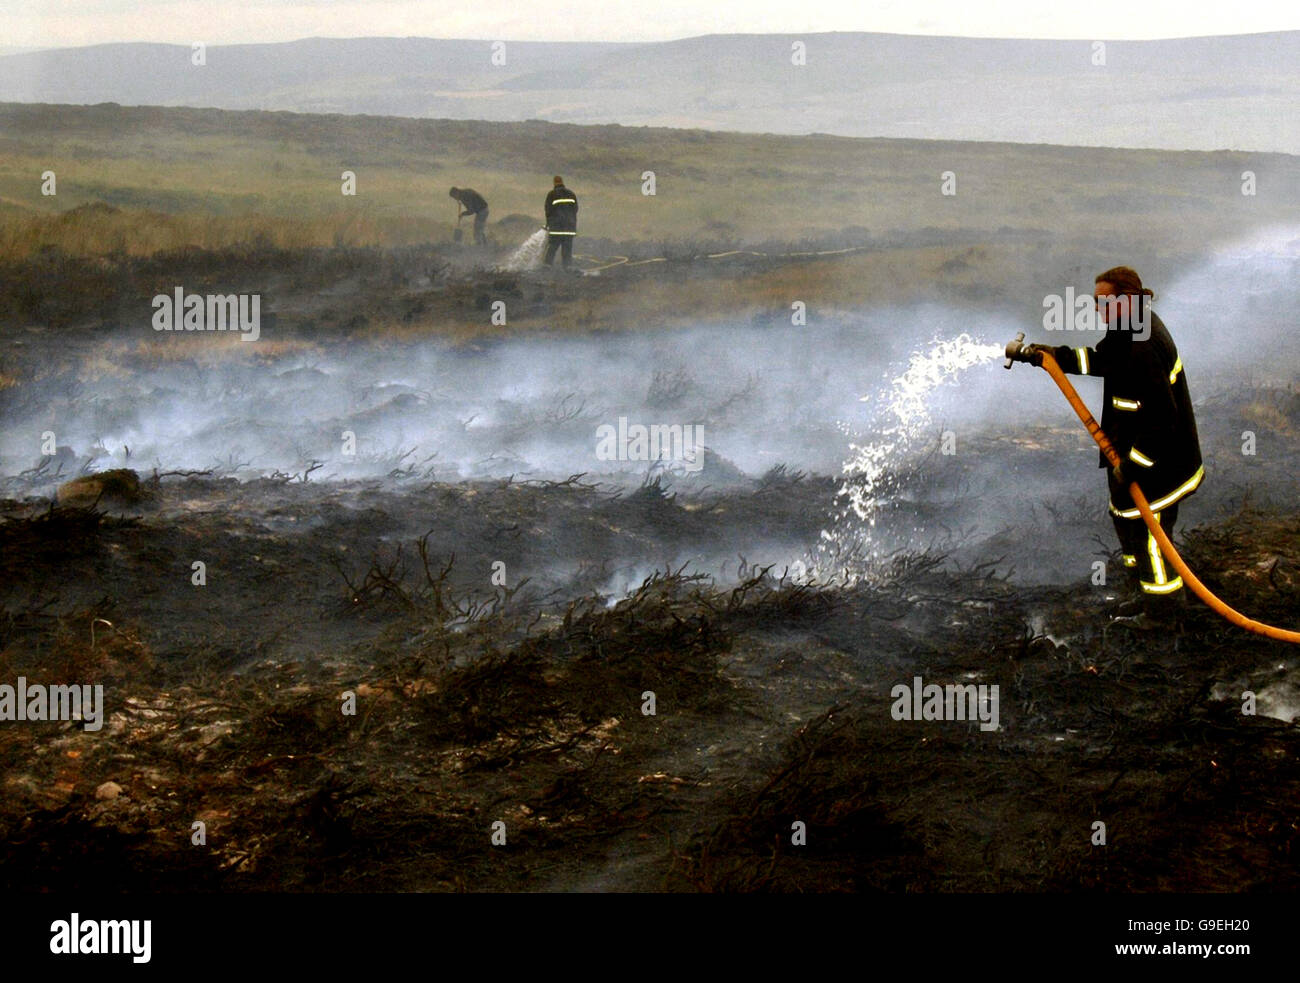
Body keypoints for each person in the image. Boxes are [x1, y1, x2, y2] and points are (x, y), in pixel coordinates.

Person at [1027, 267, 1203, 627]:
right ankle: (1144, 593)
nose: (1097, 308)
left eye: (1103, 302)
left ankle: (1164, 612)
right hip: (1129, 455)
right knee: (1126, 520)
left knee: (1150, 536)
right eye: (1095, 302)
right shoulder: (1129, 328)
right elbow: (1104, 361)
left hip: (1159, 465)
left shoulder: (1142, 345)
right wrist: (1053, 356)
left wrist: (1134, 466)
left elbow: (1162, 419)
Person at [543, 176, 578, 269]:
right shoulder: (571, 194)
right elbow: (575, 209)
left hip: (556, 228)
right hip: (569, 229)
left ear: (554, 183)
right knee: (567, 250)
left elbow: (548, 211)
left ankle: (547, 267)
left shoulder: (552, 194)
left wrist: (548, 224)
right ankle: (567, 268)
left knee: (552, 249)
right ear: (562, 182)